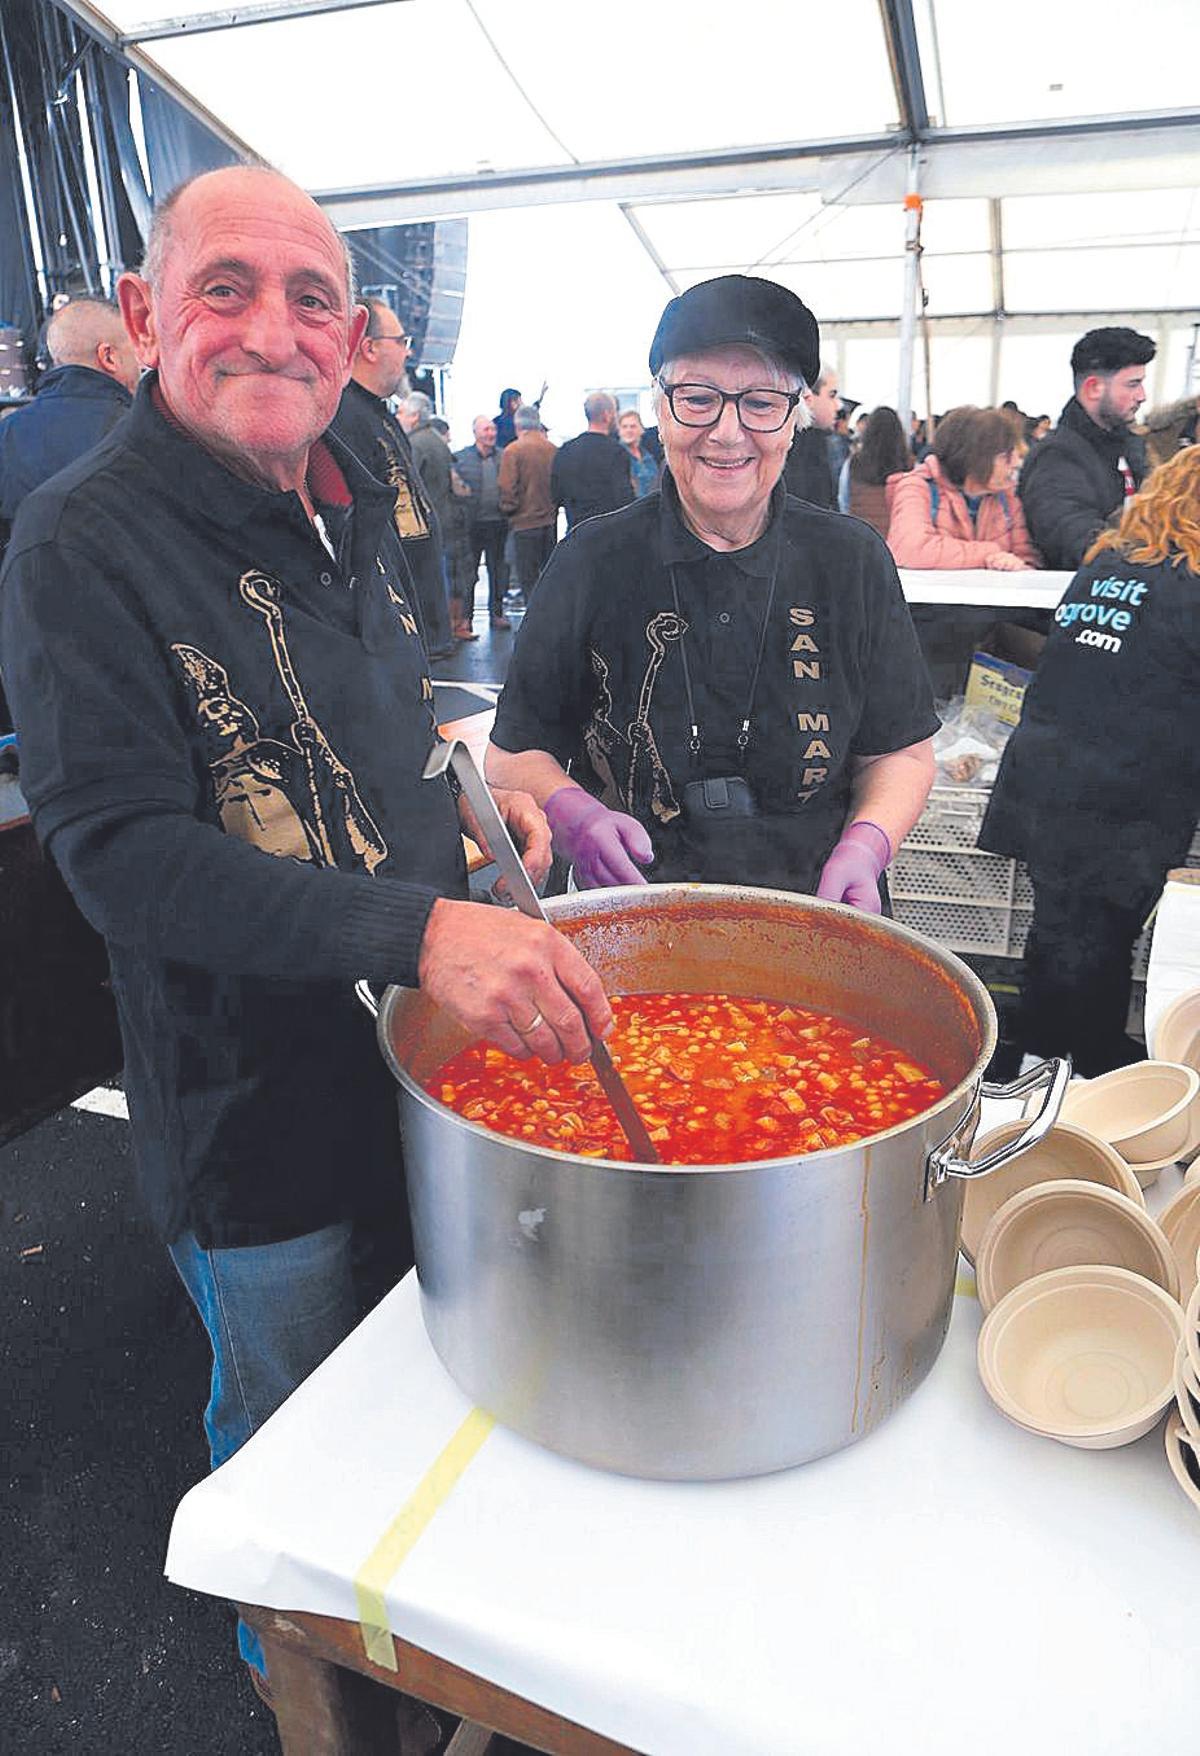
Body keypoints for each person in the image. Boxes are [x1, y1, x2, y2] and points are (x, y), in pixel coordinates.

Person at [0, 164, 610, 1716]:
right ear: (143, 316)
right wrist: (426, 926)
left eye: (312, 299)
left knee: (414, 1379)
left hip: (412, 1055)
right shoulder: (80, 540)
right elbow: (121, 860)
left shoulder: (347, 469)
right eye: (226, 289)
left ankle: (407, 1627)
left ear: (352, 338)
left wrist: (472, 796)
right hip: (245, 1104)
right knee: (287, 1427)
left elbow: (373, 705)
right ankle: (289, 1677)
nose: (272, 331)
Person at [485, 273, 938, 910]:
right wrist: (573, 813)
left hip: (817, 908)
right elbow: (512, 754)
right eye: (698, 398)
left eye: (760, 402)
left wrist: (868, 843)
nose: (727, 433)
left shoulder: (851, 559)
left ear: (794, 418)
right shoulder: (592, 558)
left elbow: (902, 753)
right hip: (631, 908)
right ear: (661, 409)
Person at [979, 445, 1200, 1076]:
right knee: (1096, 939)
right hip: (1124, 792)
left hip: (1050, 771)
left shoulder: (1105, 566)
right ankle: (1069, 1072)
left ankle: (1056, 1060)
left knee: (1060, 933)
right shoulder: (1190, 588)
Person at [330, 298, 454, 659]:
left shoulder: (378, 413)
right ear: (369, 347)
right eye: (401, 341)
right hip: (390, 627)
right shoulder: (344, 415)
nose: (406, 353)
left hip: (416, 619)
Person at [0, 295, 140, 551]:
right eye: (134, 351)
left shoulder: (6, 434)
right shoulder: (138, 432)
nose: (140, 364)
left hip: (27, 587)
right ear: (108, 357)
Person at [1018, 327, 1155, 570]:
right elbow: (1076, 542)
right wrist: (1157, 561)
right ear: (1093, 388)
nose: (1142, 396)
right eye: (1133, 384)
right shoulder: (1056, 458)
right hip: (1084, 599)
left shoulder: (1129, 447)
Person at [886, 405, 1039, 571]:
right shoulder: (918, 487)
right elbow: (910, 551)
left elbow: (1028, 559)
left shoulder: (1008, 495)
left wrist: (1017, 566)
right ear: (974, 458)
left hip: (994, 595)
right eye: (1005, 456)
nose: (1016, 463)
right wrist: (991, 552)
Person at [453, 414, 511, 630]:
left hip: (499, 523)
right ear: (475, 432)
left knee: (498, 571)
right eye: (486, 430)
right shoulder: (460, 458)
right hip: (471, 525)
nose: (491, 434)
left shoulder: (505, 456)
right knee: (469, 573)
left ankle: (497, 613)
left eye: (493, 429)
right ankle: (465, 618)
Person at [497, 403, 557, 602]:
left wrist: (508, 510)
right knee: (549, 577)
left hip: (524, 523)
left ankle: (535, 628)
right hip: (549, 521)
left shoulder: (512, 451)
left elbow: (507, 488)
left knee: (528, 580)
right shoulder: (552, 449)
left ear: (517, 425)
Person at [550, 391, 635, 529]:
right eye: (615, 412)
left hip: (576, 533)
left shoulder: (565, 450)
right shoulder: (616, 452)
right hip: (608, 534)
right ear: (607, 415)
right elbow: (624, 499)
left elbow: (556, 495)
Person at [838, 405, 910, 534]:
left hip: (861, 537)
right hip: (895, 540)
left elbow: (844, 502)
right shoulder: (910, 467)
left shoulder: (853, 463)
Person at [781, 359, 838, 507]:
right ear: (807, 396)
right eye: (831, 395)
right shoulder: (793, 449)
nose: (837, 405)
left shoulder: (816, 443)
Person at [618, 407, 660, 499]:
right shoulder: (616, 455)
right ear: (619, 431)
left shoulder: (648, 455)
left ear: (641, 429)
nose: (628, 430)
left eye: (633, 426)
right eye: (624, 427)